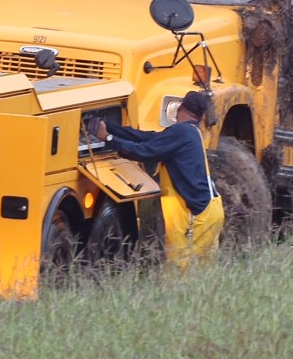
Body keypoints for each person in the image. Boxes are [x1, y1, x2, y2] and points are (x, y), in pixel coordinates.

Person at [85, 89, 225, 271]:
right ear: (200, 116)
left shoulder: (181, 132)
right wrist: (111, 127)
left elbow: (142, 151)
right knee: (202, 276)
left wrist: (107, 138)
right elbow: (148, 138)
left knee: (179, 275)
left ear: (180, 108)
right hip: (211, 211)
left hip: (195, 217)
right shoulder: (190, 132)